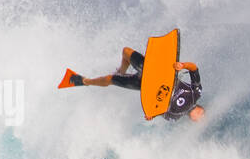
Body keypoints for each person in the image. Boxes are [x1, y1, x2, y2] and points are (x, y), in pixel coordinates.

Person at [58, 46, 203, 121]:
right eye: (203, 116)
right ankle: (121, 70)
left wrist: (151, 114)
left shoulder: (174, 117)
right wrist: (182, 65)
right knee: (126, 51)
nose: (199, 118)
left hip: (145, 86)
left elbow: (156, 108)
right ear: (202, 109)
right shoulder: (196, 93)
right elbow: (194, 68)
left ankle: (82, 80)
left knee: (110, 80)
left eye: (198, 121)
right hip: (155, 71)